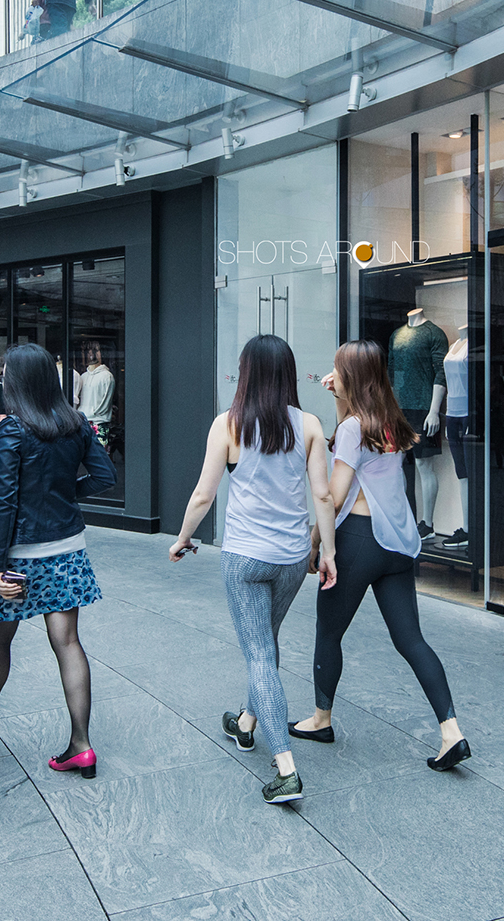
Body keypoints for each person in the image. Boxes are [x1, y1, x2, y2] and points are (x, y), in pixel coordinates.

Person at [169, 335, 339, 804]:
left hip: (244, 558)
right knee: (264, 643)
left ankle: (286, 768)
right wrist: (326, 553)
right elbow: (322, 496)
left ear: (245, 373)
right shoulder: (308, 424)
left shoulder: (228, 425)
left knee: (260, 652)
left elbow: (203, 495)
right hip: (289, 560)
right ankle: (246, 722)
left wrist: (183, 538)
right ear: (288, 372)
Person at [294, 341, 471, 772]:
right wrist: (340, 400)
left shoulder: (355, 427)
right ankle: (452, 732)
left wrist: (314, 543)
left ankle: (321, 719)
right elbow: (353, 445)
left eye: (338, 371)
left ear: (351, 376)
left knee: (328, 632)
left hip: (358, 539)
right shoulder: (390, 421)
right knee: (411, 639)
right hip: (396, 544)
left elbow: (334, 497)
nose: (331, 375)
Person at [0, 342, 116, 778]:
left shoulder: (11, 431)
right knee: (68, 642)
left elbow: (2, 504)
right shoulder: (74, 425)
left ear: (14, 381)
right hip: (67, 548)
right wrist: (65, 494)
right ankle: (82, 745)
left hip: (19, 555)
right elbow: (105, 477)